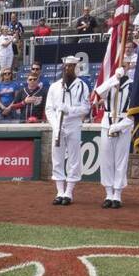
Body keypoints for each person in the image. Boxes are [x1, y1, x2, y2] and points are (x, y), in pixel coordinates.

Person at [46, 55, 89, 205]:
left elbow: (85, 108)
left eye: (71, 66)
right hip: (58, 125)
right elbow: (49, 109)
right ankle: (59, 191)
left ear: (75, 67)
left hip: (74, 124)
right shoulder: (55, 86)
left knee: (74, 158)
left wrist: (69, 110)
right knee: (57, 158)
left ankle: (69, 192)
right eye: (66, 66)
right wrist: (55, 124)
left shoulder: (82, 85)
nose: (68, 68)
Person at [95, 66, 132, 209]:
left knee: (120, 161)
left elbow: (136, 110)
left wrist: (121, 125)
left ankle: (117, 194)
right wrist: (114, 79)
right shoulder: (111, 83)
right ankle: (108, 193)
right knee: (107, 161)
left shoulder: (132, 85)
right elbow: (99, 92)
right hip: (107, 124)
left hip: (124, 124)